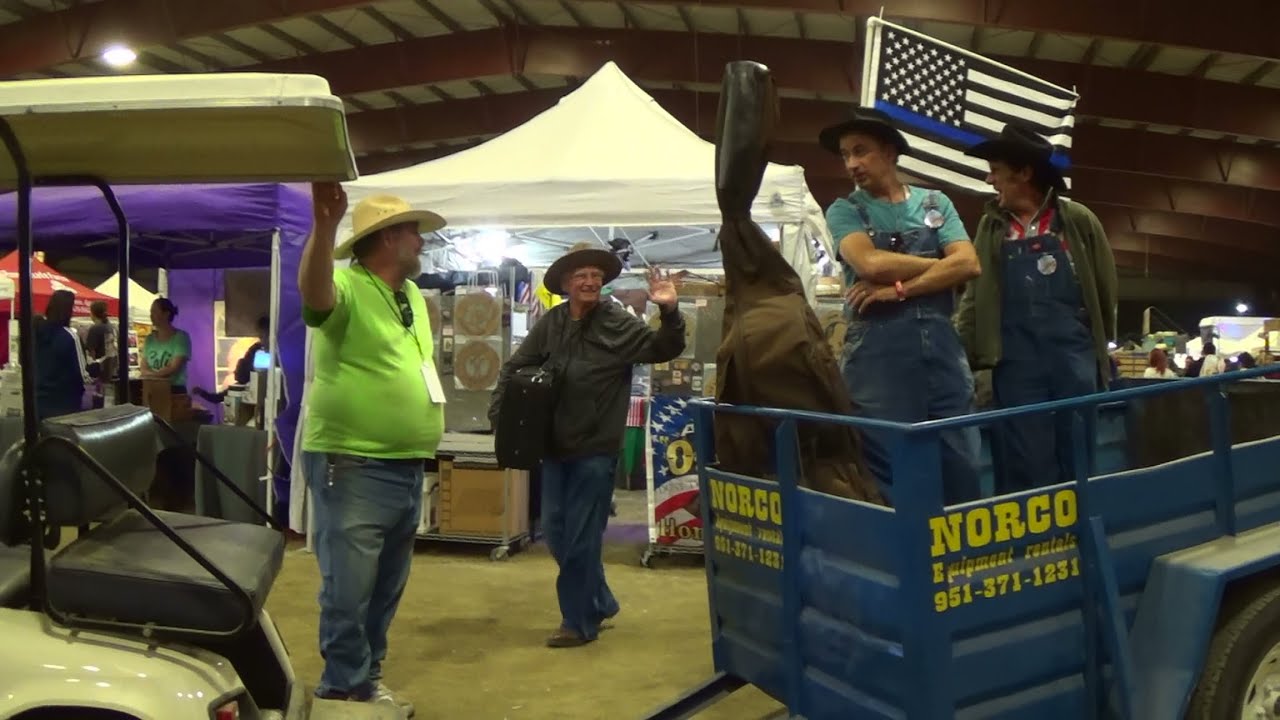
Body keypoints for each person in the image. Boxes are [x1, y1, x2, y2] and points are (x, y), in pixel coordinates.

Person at [489, 242, 685, 648]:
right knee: (557, 534)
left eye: (596, 275)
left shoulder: (617, 322)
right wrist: (503, 415)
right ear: (565, 283)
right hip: (554, 445)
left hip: (596, 448)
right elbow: (516, 365)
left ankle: (577, 622)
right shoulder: (554, 322)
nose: (590, 281)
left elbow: (665, 347)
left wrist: (668, 311)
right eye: (581, 275)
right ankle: (600, 599)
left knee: (581, 538)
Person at [298, 185, 446, 716]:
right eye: (413, 231)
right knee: (349, 587)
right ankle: (341, 687)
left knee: (384, 587)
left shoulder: (411, 299)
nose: (421, 241)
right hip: (352, 461)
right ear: (387, 238)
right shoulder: (345, 284)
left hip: (405, 465)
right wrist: (324, 228)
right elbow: (314, 294)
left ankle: (364, 679)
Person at [819, 106, 983, 505]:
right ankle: (898, 562)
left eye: (861, 151)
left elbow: (971, 264)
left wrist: (898, 289)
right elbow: (869, 263)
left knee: (961, 460)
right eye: (846, 155)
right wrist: (944, 266)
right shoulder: (845, 210)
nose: (852, 164)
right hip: (876, 359)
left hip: (942, 354)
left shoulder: (935, 203)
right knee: (886, 465)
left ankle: (958, 557)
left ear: (890, 152)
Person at [957, 122, 1118, 493]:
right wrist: (968, 352)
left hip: (1072, 359)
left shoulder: (1076, 221)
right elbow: (975, 295)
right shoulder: (991, 227)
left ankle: (1079, 534)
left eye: (996, 171)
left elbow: (1105, 289)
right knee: (1023, 458)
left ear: (1025, 173)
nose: (990, 179)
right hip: (1014, 365)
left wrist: (1097, 352)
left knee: (1076, 452)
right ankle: (1032, 544)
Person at [33, 290, 91, 421]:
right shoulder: (70, 336)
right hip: (65, 405)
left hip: (38, 401)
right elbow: (83, 374)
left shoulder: (36, 331)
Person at [140, 297, 191, 392]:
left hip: (174, 389)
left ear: (166, 314)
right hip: (151, 388)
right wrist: (152, 375)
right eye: (151, 312)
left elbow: (173, 367)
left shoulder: (181, 338)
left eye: (155, 312)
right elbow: (143, 366)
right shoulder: (149, 339)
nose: (151, 316)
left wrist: (150, 375)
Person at [83, 299, 118, 407]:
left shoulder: (95, 329)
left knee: (97, 402)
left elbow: (91, 352)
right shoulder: (111, 327)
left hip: (98, 372)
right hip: (111, 368)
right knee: (108, 403)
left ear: (93, 313)